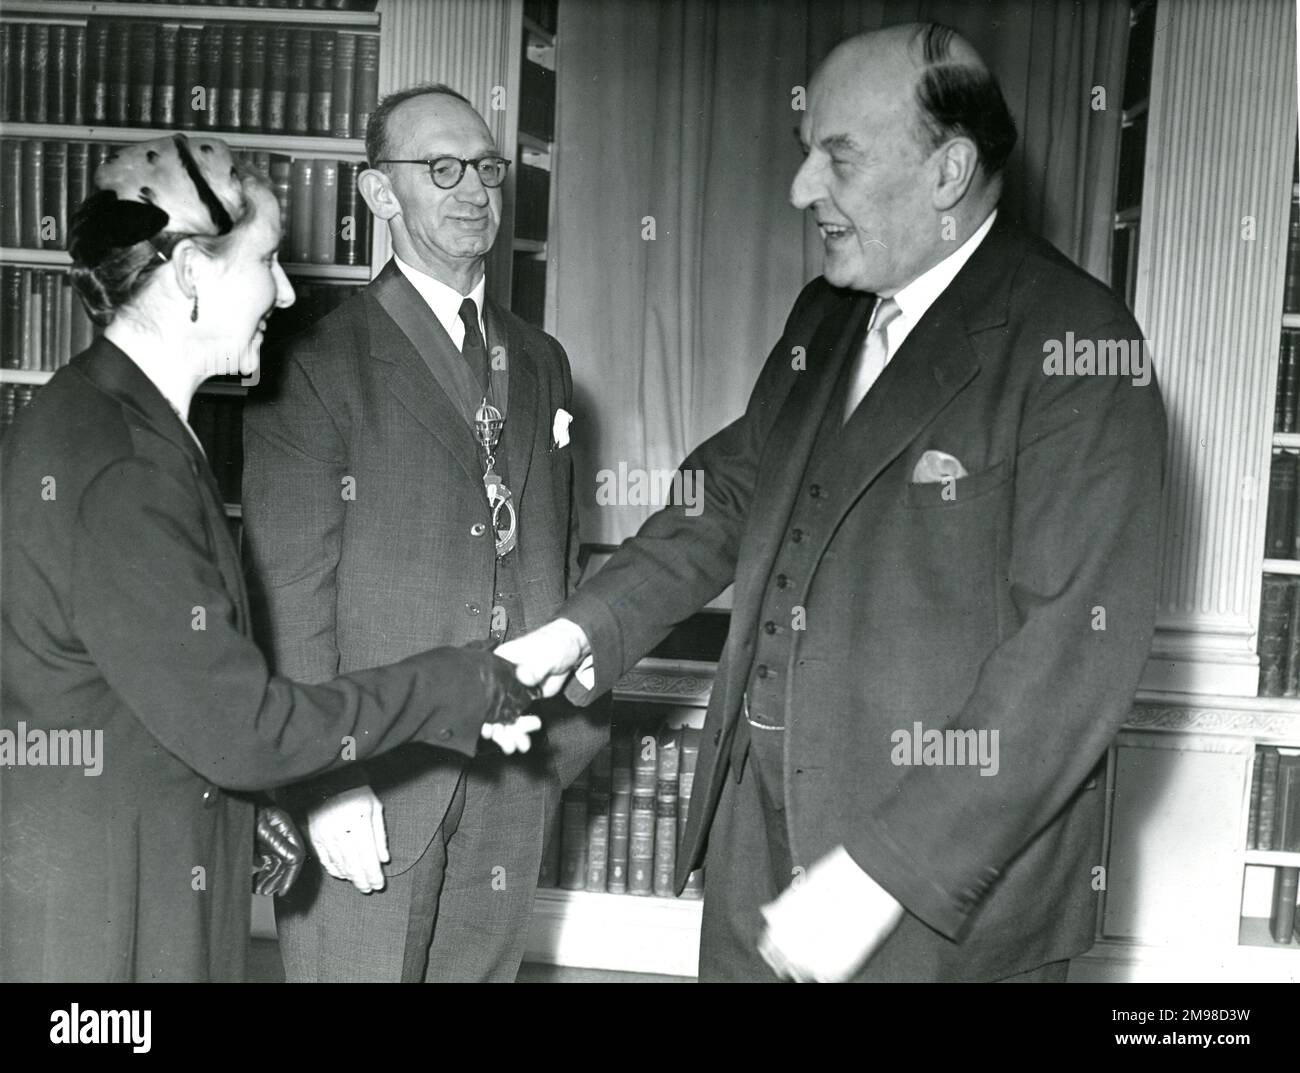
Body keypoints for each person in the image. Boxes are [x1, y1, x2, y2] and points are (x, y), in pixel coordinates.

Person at [498, 23, 1168, 982]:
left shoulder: (1079, 345)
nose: (802, 189)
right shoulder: (830, 311)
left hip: (935, 903)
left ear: (950, 171)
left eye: (837, 159)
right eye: (806, 155)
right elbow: (731, 489)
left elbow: (1068, 659)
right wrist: (585, 627)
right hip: (756, 859)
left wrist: (882, 873)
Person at [0, 132, 540, 983]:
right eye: (268, 262)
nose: (285, 293)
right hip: (106, 929)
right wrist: (458, 682)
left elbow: (145, 687)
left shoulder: (106, 417)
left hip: (131, 870)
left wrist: (238, 814)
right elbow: (245, 727)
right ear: (191, 274)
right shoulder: (123, 467)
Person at [242, 84, 604, 982]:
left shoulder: (544, 358)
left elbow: (553, 549)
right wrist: (323, 776)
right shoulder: (312, 364)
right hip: (375, 777)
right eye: (441, 168)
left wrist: (566, 732)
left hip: (513, 769)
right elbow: (286, 596)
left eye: (486, 166)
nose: (474, 188)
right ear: (378, 194)